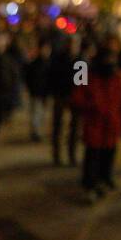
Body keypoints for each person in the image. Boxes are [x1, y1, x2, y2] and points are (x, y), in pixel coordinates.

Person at [72, 36, 121, 200]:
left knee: (108, 156)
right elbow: (77, 98)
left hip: (111, 126)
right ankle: (91, 185)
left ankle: (103, 181)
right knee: (92, 156)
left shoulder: (120, 78)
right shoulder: (86, 72)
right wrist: (92, 106)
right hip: (95, 125)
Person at [48, 34, 82, 165]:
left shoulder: (80, 60)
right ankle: (57, 155)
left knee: (74, 127)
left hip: (74, 97)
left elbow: (82, 82)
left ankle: (71, 155)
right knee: (58, 126)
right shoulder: (59, 59)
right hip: (61, 95)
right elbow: (53, 77)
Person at [24, 40, 52, 142]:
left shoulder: (50, 63)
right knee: (36, 113)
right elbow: (29, 77)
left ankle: (39, 132)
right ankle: (36, 133)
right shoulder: (35, 64)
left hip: (44, 93)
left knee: (42, 114)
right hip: (36, 92)